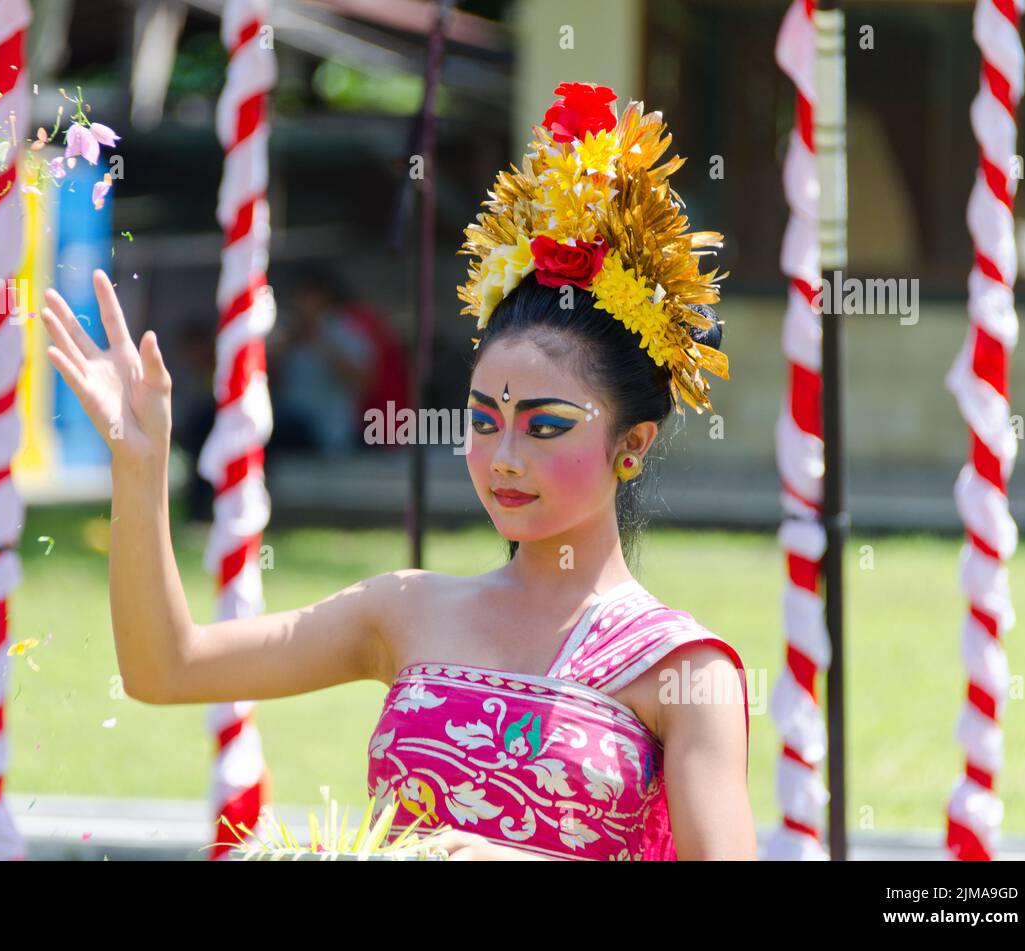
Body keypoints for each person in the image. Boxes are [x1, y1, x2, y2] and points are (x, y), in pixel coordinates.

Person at [40, 82, 753, 860]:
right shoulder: (406, 610)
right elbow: (164, 667)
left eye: (546, 425)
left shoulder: (684, 668)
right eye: (483, 420)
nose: (505, 457)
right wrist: (139, 472)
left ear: (634, 442)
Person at [266, 272, 375, 460]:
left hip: (325, 427)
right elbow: (267, 381)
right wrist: (284, 347)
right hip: (287, 419)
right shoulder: (287, 333)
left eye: (309, 298)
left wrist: (319, 341)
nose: (304, 304)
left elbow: (362, 382)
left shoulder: (346, 331)